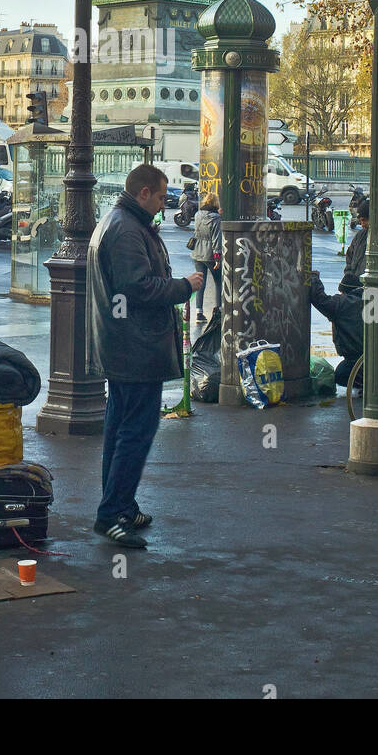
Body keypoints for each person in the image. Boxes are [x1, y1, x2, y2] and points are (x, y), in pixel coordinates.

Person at [87, 163, 203, 549]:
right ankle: (112, 513)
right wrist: (183, 286)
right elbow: (137, 288)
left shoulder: (122, 222)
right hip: (134, 347)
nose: (165, 203)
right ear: (143, 193)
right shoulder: (126, 229)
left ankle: (121, 506)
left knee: (121, 430)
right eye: (161, 196)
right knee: (136, 431)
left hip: (124, 345)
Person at [309, 271, 364, 389]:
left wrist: (314, 278)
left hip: (356, 359)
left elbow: (319, 299)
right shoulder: (370, 301)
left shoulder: (342, 304)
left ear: (344, 291)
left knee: (340, 375)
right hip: (374, 357)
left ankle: (366, 384)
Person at [190, 191, 222, 328]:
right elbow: (216, 239)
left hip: (197, 253)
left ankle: (199, 313)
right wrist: (218, 258)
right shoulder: (216, 218)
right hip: (210, 254)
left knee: (200, 283)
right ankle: (218, 310)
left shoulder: (198, 215)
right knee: (218, 281)